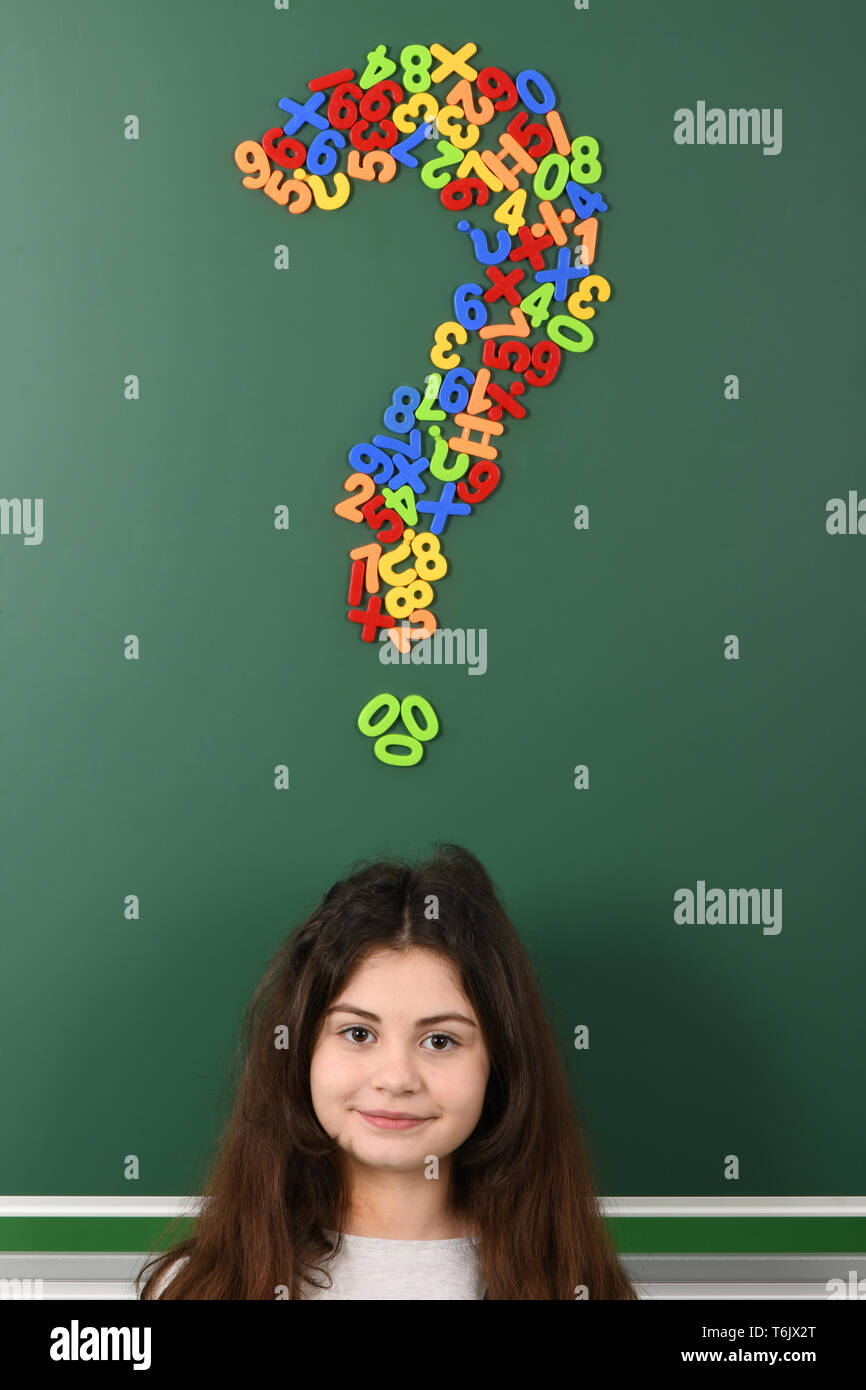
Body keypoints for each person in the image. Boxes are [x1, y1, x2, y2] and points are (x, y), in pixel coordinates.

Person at [137, 843, 636, 1299]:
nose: (396, 1079)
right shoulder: (198, 1288)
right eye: (358, 1034)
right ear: (302, 1050)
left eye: (440, 1040)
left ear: (498, 1066)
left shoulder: (575, 1286)